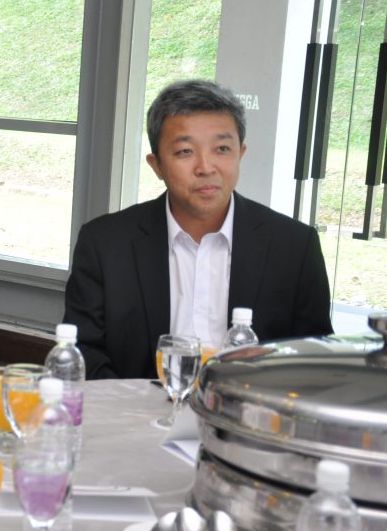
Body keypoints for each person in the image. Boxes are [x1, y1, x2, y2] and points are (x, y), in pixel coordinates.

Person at [64, 79, 333, 379]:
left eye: (222, 148)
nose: (206, 167)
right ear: (157, 165)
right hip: (136, 417)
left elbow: (311, 357)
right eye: (185, 152)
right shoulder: (105, 243)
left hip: (250, 419)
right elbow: (84, 351)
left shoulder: (294, 246)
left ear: (240, 154)